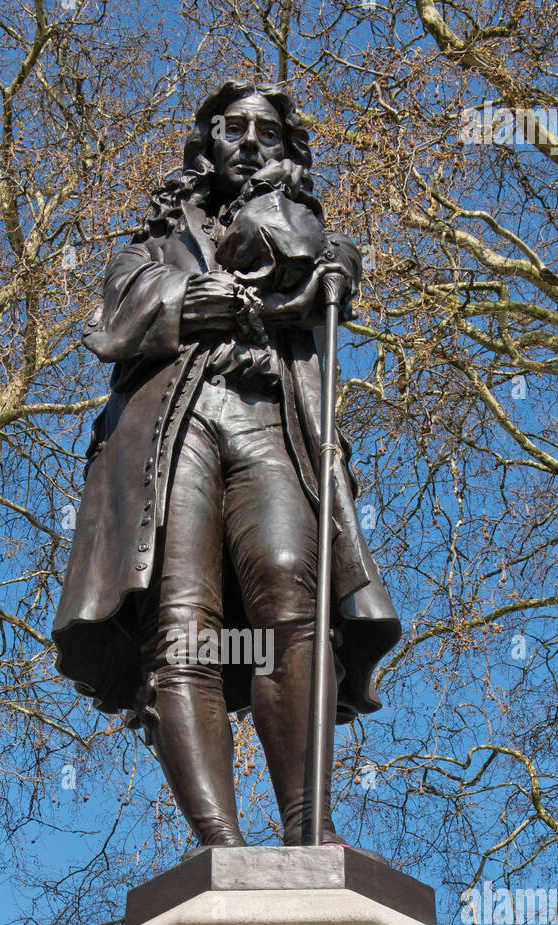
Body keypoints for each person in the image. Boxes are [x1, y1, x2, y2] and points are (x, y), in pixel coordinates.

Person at [53, 80, 400, 848]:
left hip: (268, 419)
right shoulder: (152, 243)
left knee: (290, 596)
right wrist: (183, 301)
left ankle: (310, 828)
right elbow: (116, 314)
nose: (248, 140)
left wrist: (286, 210)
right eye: (232, 128)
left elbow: (307, 258)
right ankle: (218, 843)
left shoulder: (302, 227)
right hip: (173, 429)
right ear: (204, 145)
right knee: (184, 626)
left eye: (266, 132)